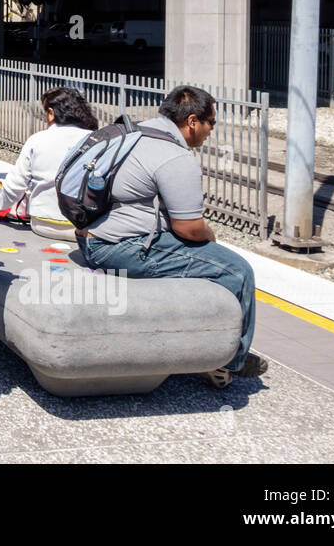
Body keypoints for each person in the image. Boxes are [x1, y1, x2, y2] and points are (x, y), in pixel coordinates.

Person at [76, 85, 268, 387]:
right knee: (237, 271)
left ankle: (203, 344)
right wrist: (211, 236)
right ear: (192, 122)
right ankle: (231, 360)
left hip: (91, 236)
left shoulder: (133, 133)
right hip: (121, 247)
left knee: (206, 261)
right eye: (211, 123)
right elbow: (188, 228)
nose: (211, 130)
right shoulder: (175, 156)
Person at [0, 87, 98, 238]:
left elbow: (15, 184)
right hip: (85, 228)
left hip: (42, 224)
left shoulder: (37, 140)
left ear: (51, 113)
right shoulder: (94, 139)